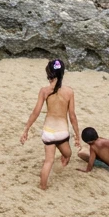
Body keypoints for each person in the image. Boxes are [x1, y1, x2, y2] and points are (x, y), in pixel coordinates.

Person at [20, 58, 81, 190]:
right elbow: (72, 116)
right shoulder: (69, 92)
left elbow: (35, 112)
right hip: (62, 132)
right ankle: (63, 163)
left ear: (49, 73)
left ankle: (42, 187)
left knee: (48, 161)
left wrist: (26, 129)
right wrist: (77, 135)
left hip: (48, 132)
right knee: (68, 154)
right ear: (62, 73)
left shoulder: (44, 91)